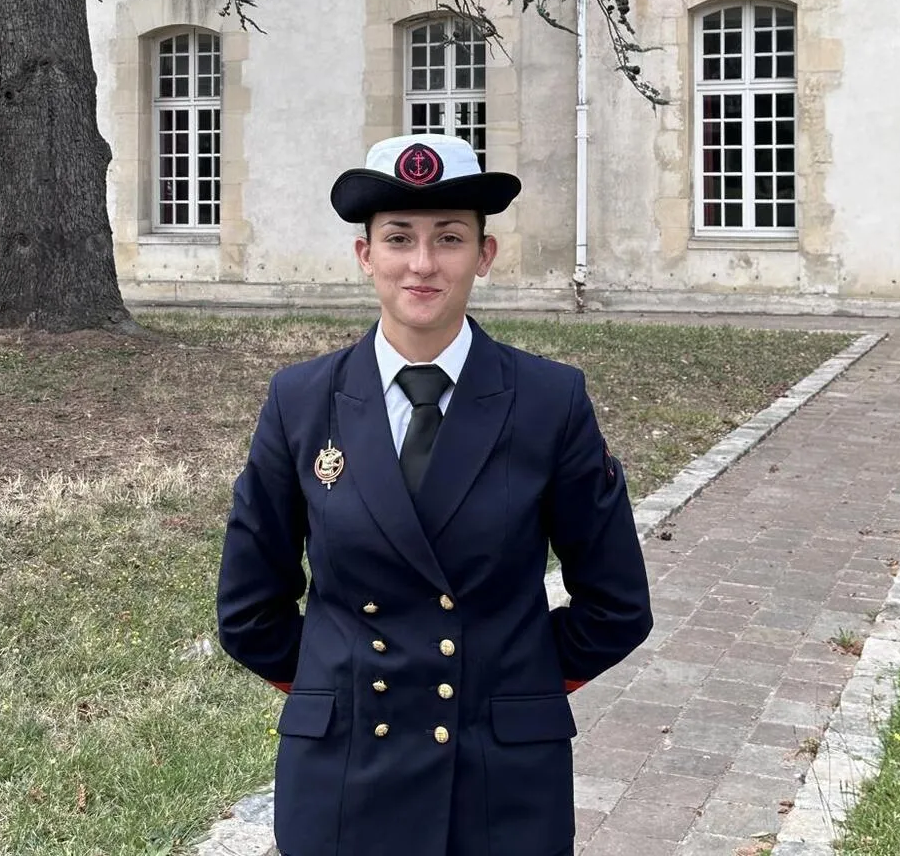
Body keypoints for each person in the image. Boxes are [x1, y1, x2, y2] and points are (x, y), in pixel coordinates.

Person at [217, 134, 653, 856]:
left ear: (485, 254)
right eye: (399, 238)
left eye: (449, 237)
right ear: (366, 256)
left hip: (500, 774)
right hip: (346, 769)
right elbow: (247, 607)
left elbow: (617, 605)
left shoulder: (549, 401)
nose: (422, 263)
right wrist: (340, 680)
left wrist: (515, 680)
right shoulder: (301, 401)